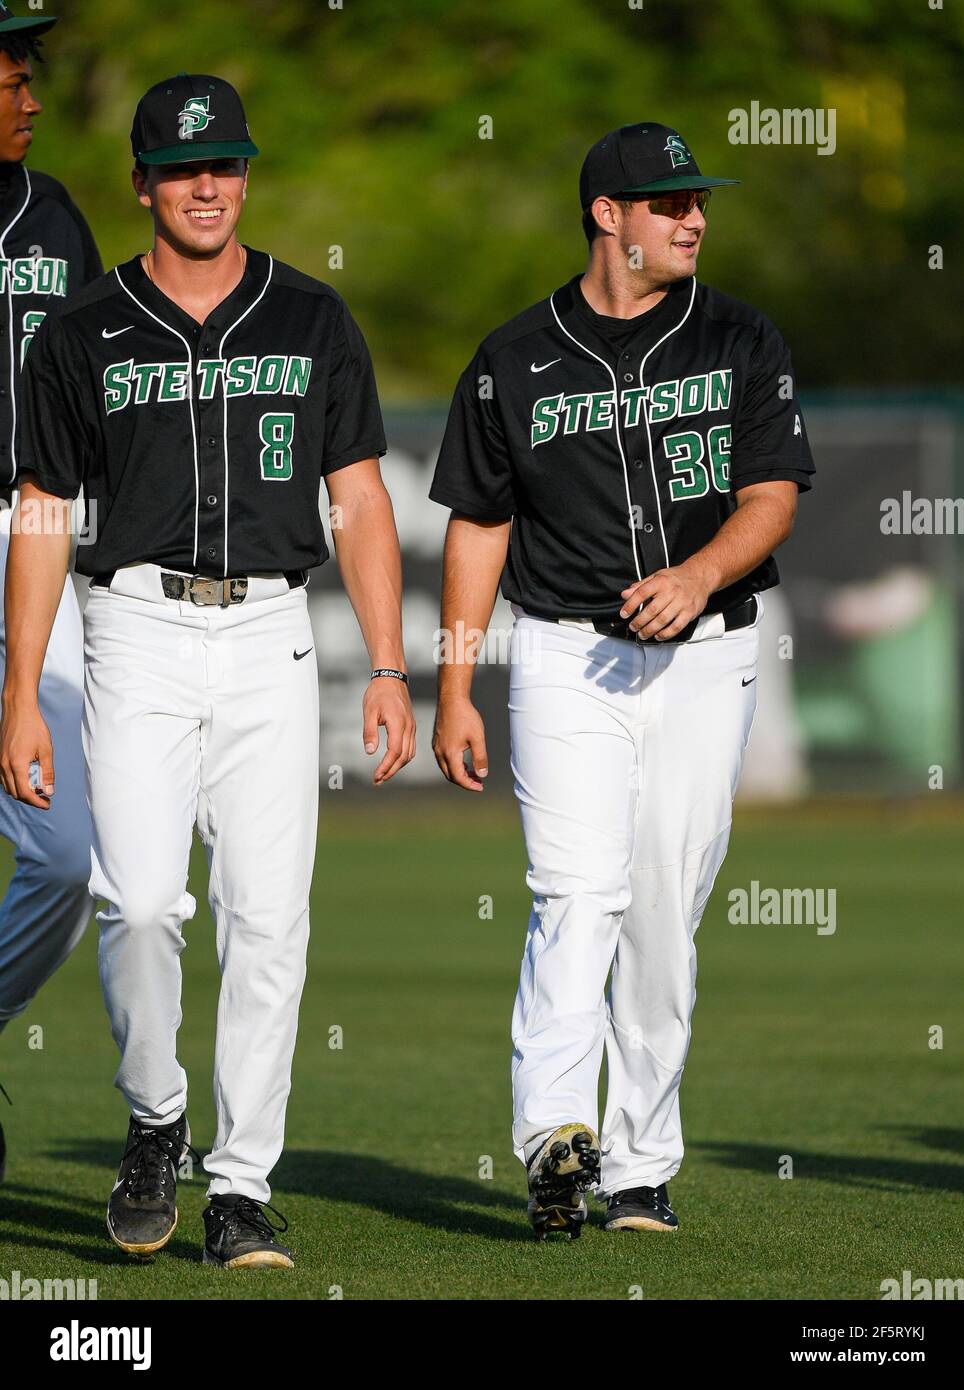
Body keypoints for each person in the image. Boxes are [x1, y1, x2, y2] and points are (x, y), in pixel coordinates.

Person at [0, 73, 415, 1268]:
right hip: (133, 624)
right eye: (183, 167)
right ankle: (155, 1115)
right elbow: (41, 509)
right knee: (134, 903)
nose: (206, 184)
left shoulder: (312, 316)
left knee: (267, 921)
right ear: (142, 182)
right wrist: (23, 688)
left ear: (246, 174)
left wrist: (389, 665)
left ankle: (239, 1185)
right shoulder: (83, 330)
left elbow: (360, 499)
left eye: (224, 163)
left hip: (274, 632)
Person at [430, 122, 815, 1239]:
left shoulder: (741, 336)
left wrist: (697, 574)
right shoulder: (514, 356)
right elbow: (478, 525)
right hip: (564, 654)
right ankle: (557, 1132)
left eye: (698, 199)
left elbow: (775, 492)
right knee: (575, 891)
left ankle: (642, 1165)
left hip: (707, 656)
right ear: (608, 215)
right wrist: (456, 684)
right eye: (667, 201)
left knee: (659, 914)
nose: (693, 216)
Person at [0, 0, 102, 1183]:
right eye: (11, 72)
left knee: (68, 851)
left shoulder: (56, 216)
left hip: (32, 535)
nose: (31, 96)